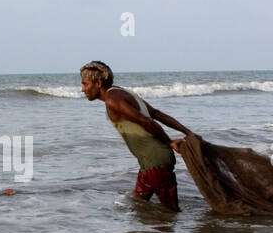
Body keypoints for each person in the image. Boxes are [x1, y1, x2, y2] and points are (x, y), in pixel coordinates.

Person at [80, 60, 191, 212]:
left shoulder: (113, 100)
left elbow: (147, 122)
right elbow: (156, 114)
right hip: (148, 162)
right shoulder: (123, 92)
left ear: (98, 83)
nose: (82, 89)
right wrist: (188, 132)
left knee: (171, 210)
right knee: (138, 202)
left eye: (85, 84)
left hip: (156, 161)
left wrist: (170, 142)